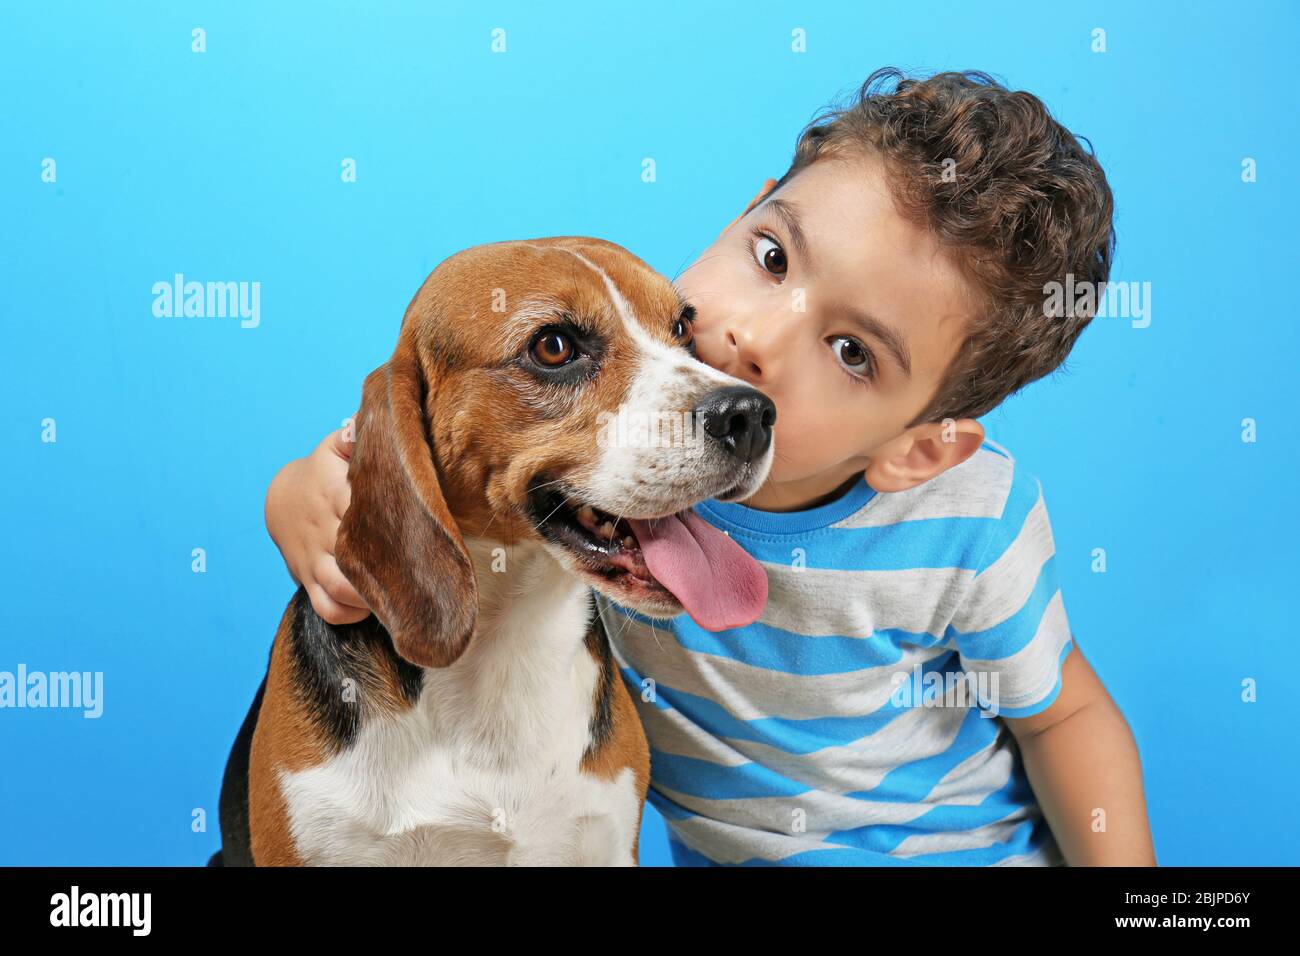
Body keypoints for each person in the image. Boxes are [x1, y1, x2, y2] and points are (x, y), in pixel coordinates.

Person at [264, 68, 1156, 866]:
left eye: (851, 351)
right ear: (747, 209)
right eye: (771, 258)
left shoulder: (970, 518)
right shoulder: (641, 473)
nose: (751, 344)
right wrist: (299, 499)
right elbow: (387, 453)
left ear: (919, 447)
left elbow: (1066, 715)